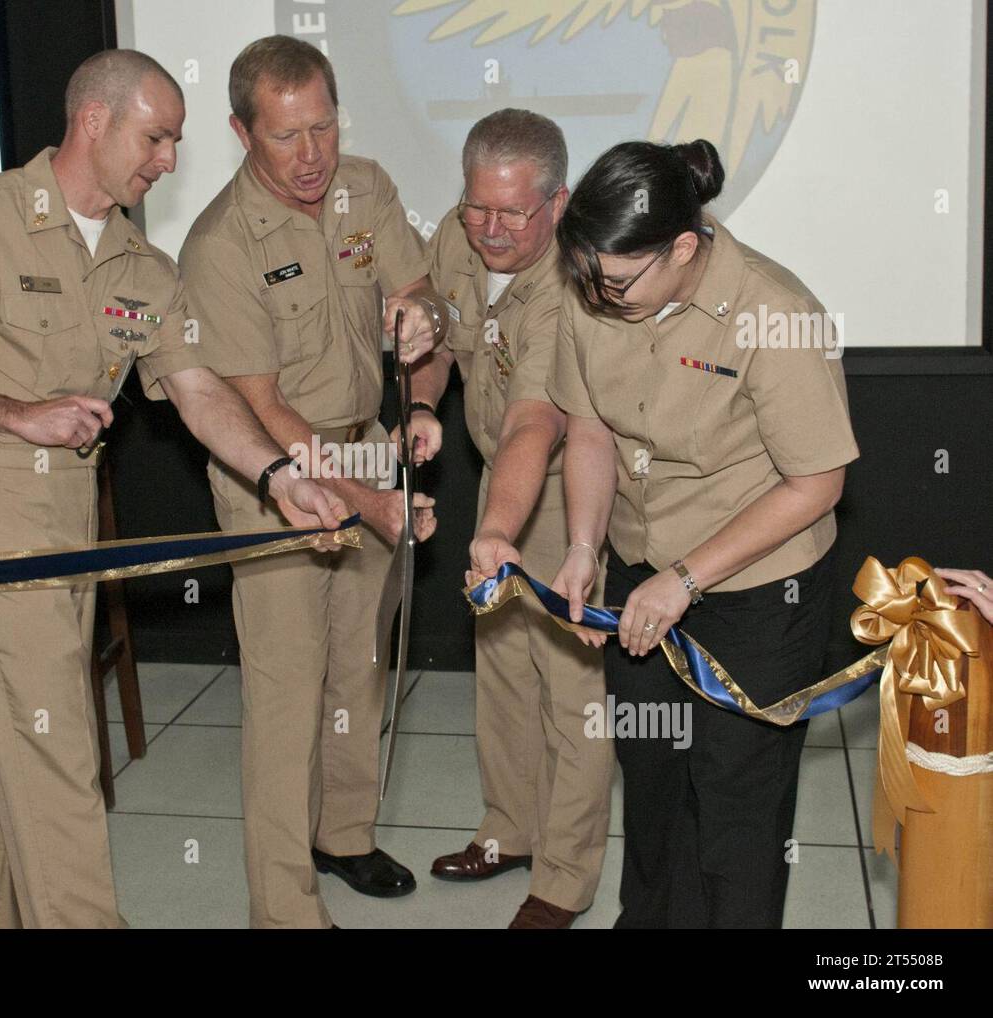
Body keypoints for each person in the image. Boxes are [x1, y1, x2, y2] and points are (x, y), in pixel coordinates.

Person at [0, 49, 344, 928]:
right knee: (64, 759)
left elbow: (195, 387)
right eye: (156, 138)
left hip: (71, 521)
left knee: (20, 747)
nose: (169, 162)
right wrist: (14, 414)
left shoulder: (144, 266)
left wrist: (277, 474)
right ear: (94, 121)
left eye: (178, 142)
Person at [547, 139, 859, 928]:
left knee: (736, 801)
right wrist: (584, 545)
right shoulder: (597, 289)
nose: (597, 293)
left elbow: (818, 482)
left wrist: (688, 578)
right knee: (652, 775)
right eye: (588, 274)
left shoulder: (775, 314)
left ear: (683, 249)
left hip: (758, 590)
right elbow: (588, 424)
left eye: (616, 280)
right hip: (640, 571)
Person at [178, 35, 445, 929]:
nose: (312, 156)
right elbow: (260, 408)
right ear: (241, 132)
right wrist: (376, 506)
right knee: (287, 696)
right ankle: (284, 907)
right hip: (275, 475)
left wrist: (422, 341)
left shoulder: (364, 187)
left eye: (324, 128)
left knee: (360, 666)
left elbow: (423, 294)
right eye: (287, 137)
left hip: (365, 442)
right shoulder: (220, 242)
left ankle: (346, 834)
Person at [402, 110, 612, 929]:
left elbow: (535, 420)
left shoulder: (576, 284)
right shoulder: (463, 236)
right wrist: (422, 400)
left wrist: (497, 529)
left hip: (561, 490)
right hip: (500, 480)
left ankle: (564, 877)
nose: (487, 231)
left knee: (571, 692)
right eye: (475, 209)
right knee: (502, 673)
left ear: (557, 203)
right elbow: (442, 334)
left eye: (510, 215)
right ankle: (508, 830)